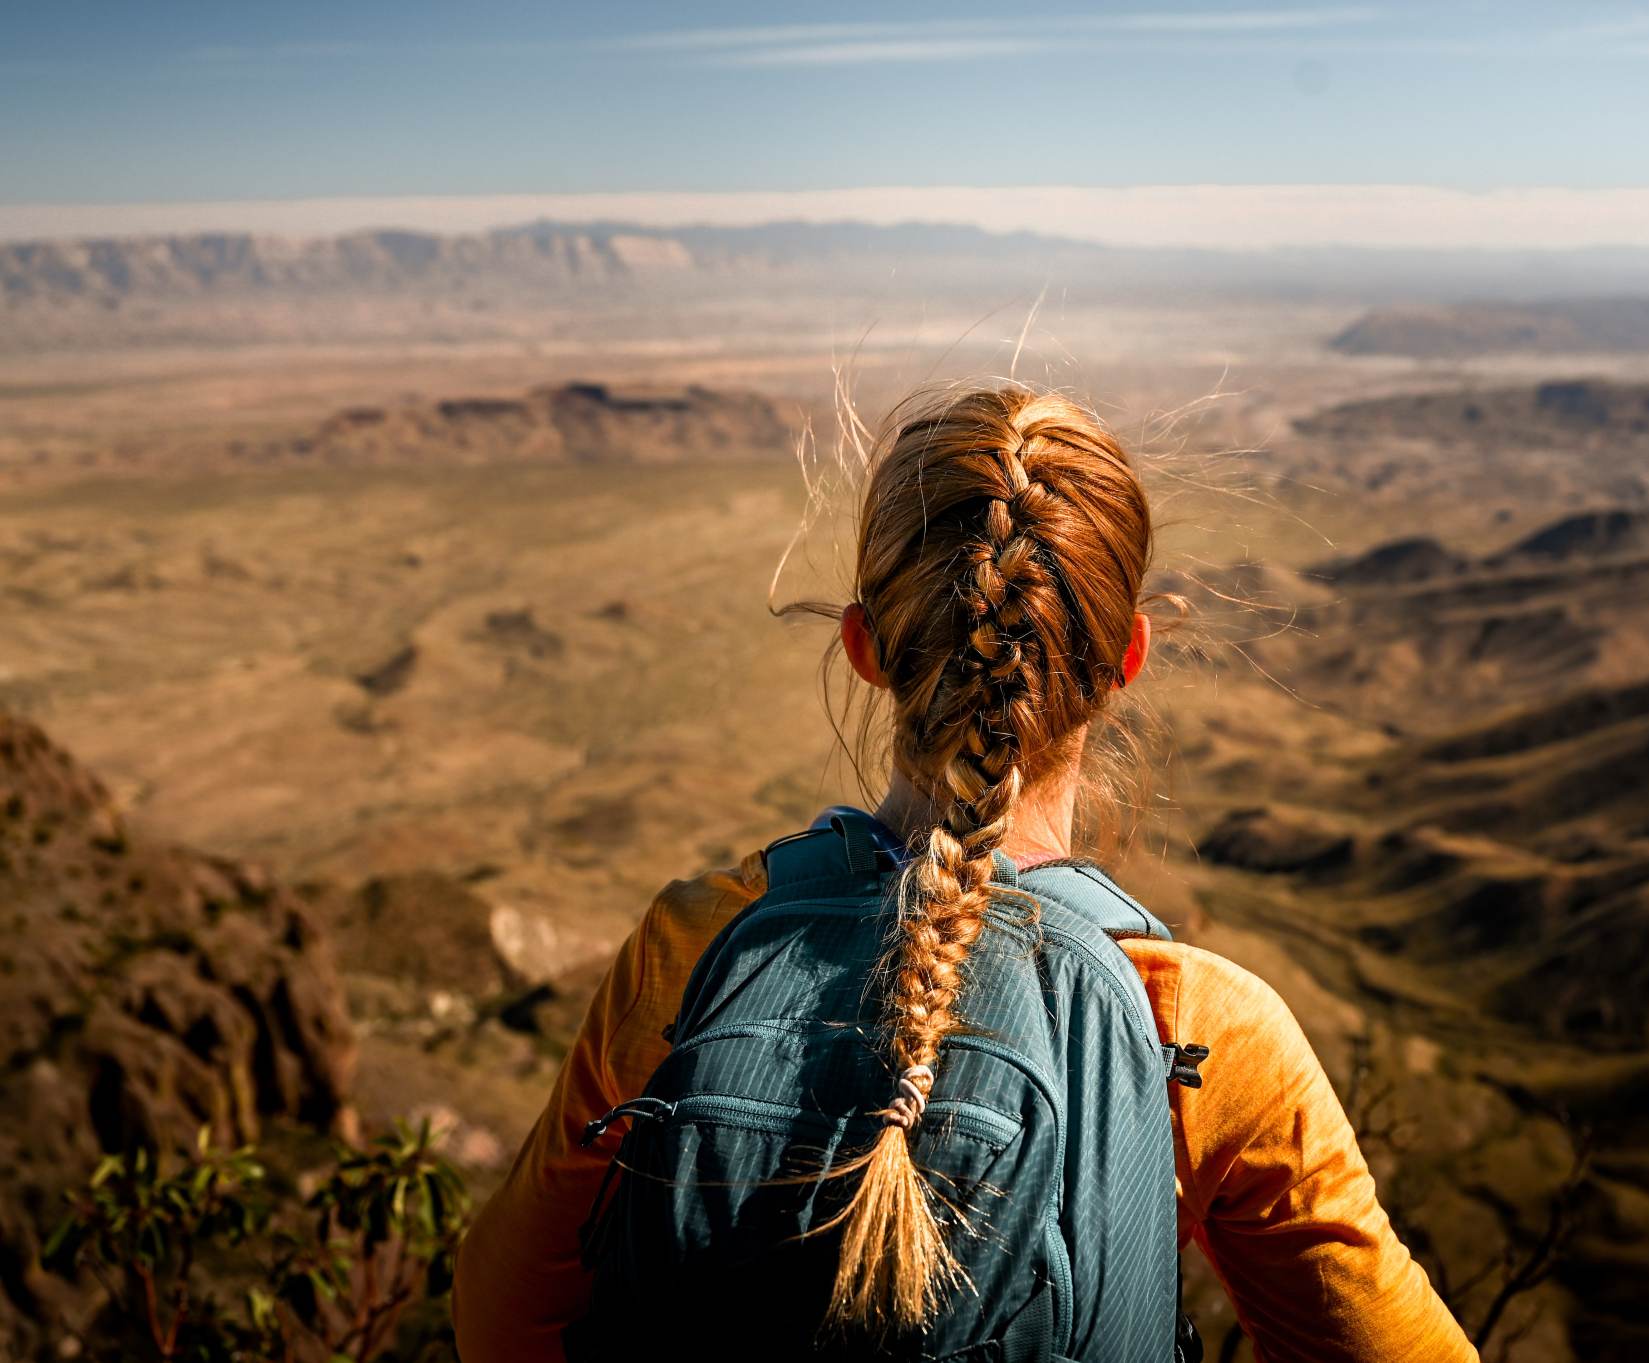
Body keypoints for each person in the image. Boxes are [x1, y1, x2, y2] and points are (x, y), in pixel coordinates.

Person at [453, 384, 1477, 1362]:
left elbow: (501, 1328)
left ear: (864, 647)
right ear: (1127, 656)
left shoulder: (693, 948)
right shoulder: (1201, 1032)